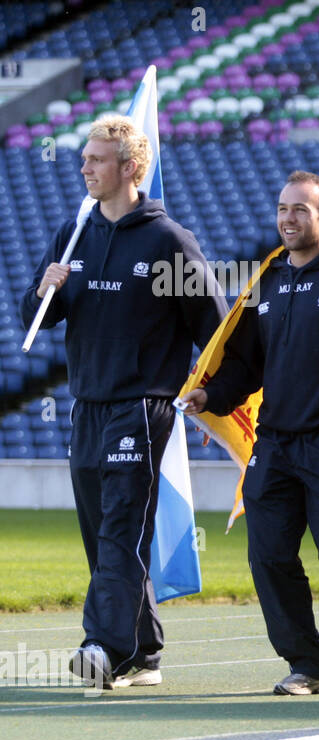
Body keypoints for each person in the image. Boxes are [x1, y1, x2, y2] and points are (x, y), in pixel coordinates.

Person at [178, 171, 319, 696]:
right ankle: (309, 664)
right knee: (269, 555)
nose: (287, 219)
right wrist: (210, 396)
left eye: (299, 210)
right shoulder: (270, 279)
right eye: (283, 209)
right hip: (275, 443)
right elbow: (244, 362)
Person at [22, 114, 226, 690]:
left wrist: (215, 401)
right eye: (84, 157)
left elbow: (215, 330)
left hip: (142, 406)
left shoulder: (170, 242)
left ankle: (102, 647)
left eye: (95, 159)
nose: (83, 166)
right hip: (85, 405)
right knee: (102, 532)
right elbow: (28, 319)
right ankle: (144, 652)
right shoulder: (74, 231)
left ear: (131, 168)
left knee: (120, 529)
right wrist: (45, 289)